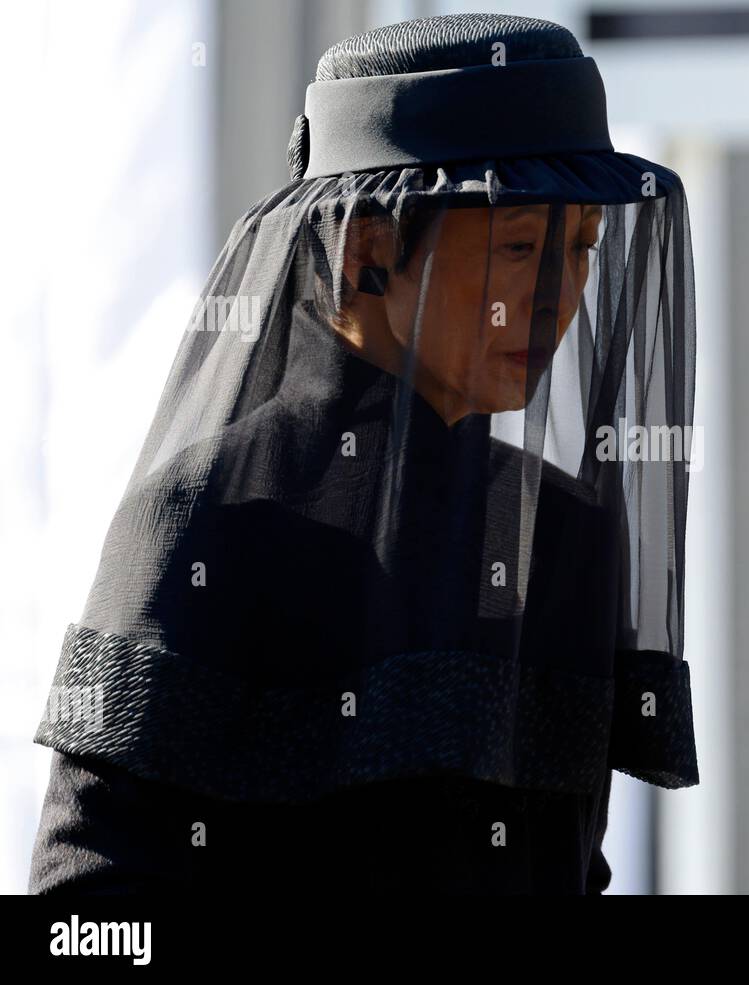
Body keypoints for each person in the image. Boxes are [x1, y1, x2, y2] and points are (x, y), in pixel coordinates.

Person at [28, 12, 698, 895]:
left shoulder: (563, 535)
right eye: (523, 243)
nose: (559, 297)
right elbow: (86, 907)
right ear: (367, 251)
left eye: (582, 249)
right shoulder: (212, 520)